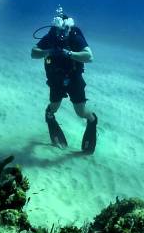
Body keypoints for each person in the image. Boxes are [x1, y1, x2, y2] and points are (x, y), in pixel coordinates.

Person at [30, 13, 98, 153]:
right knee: (54, 107)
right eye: (59, 30)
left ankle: (92, 120)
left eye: (65, 30)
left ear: (69, 28)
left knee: (80, 112)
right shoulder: (50, 36)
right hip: (55, 78)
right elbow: (33, 53)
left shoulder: (75, 35)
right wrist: (48, 51)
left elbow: (89, 56)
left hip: (74, 78)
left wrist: (69, 54)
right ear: (55, 28)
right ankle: (49, 117)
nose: (62, 33)